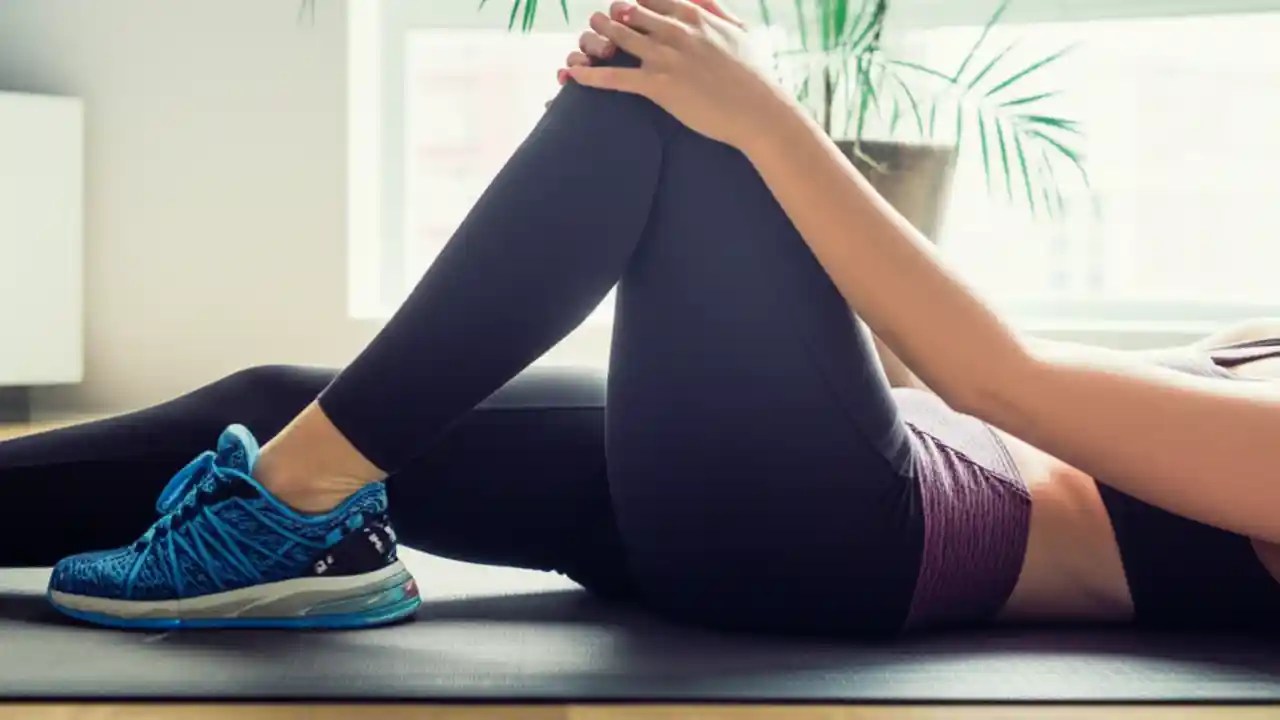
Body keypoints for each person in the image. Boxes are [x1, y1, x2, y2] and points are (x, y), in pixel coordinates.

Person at [3, 0, 1280, 635]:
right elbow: (923, 374)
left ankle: (277, 515)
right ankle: (286, 498)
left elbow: (997, 380)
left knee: (652, 102)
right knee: (292, 400)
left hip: (859, 544)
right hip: (842, 466)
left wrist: (760, 123)